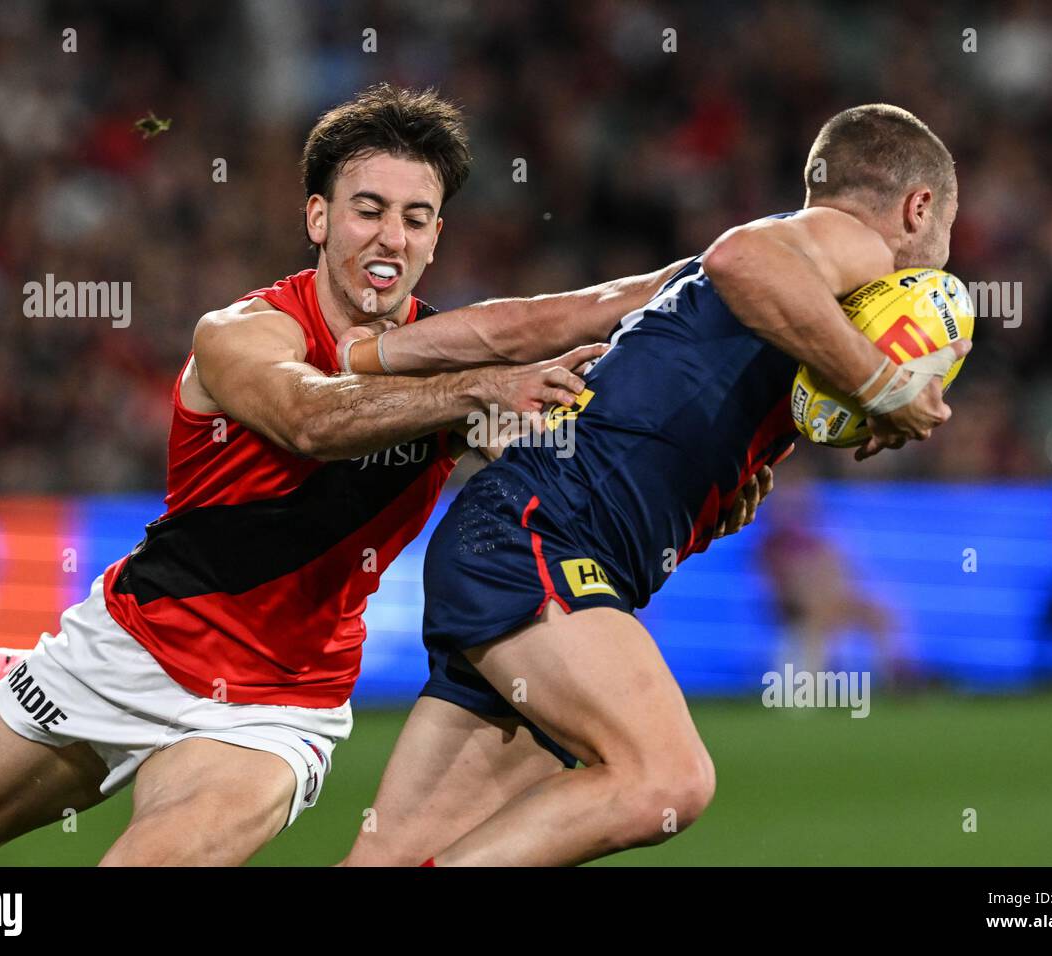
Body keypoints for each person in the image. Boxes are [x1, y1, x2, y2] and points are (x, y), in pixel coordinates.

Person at [0, 84, 687, 866]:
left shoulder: (457, 365)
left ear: (437, 237)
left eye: (416, 218)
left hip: (276, 707)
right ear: (318, 217)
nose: (390, 238)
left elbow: (572, 469)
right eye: (368, 210)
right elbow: (313, 419)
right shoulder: (244, 334)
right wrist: (476, 391)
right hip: (129, 648)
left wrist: (707, 486)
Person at [342, 103, 970, 866]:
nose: (943, 254)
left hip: (523, 541)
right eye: (948, 229)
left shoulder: (710, 287)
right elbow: (746, 261)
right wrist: (881, 381)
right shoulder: (847, 244)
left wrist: (372, 355)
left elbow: (547, 320)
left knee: (389, 858)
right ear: (919, 206)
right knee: (665, 782)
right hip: (542, 537)